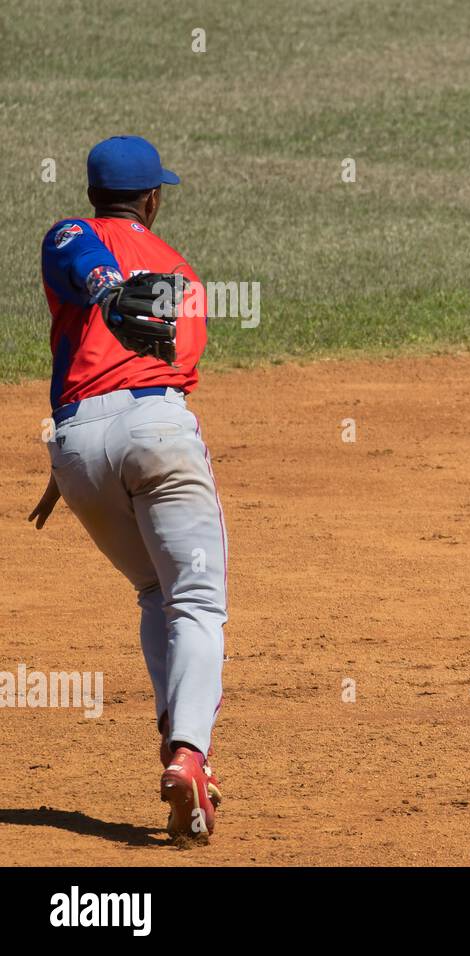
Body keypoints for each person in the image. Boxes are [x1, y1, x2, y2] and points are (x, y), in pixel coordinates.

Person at [30, 135, 226, 842]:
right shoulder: (179, 270)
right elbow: (165, 371)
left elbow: (78, 261)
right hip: (158, 436)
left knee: (153, 590)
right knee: (197, 599)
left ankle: (175, 726)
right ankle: (190, 754)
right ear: (154, 199)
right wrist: (116, 291)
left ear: (92, 192)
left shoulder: (65, 230)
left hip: (79, 448)